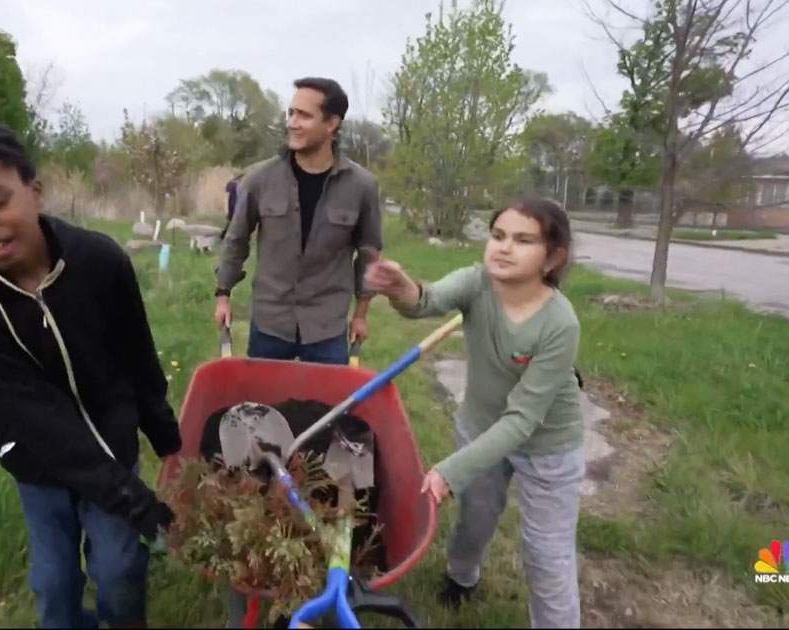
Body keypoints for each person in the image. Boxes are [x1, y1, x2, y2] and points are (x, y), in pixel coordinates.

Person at [0, 120, 180, 629]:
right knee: (54, 585)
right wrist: (133, 499)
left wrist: (167, 441)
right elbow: (33, 414)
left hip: (112, 445)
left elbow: (138, 358)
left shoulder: (101, 262)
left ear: (34, 191)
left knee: (120, 569)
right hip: (38, 463)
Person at [364, 198, 585, 629]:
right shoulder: (475, 283)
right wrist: (400, 288)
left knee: (548, 555)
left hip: (548, 448)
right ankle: (462, 578)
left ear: (553, 257)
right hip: (480, 426)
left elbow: (523, 420)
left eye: (523, 240)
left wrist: (450, 470)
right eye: (498, 235)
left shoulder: (560, 324)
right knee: (474, 519)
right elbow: (424, 301)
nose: (503, 248)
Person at [214, 77, 382, 365]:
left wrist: (361, 316)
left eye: (303, 115)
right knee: (264, 406)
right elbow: (236, 239)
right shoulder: (259, 179)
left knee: (325, 408)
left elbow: (369, 254)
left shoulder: (361, 186)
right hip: (270, 323)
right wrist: (223, 295)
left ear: (331, 124)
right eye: (290, 113)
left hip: (327, 328)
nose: (292, 122)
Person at [219, 173, 242, 240]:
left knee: (233, 221)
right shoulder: (231, 184)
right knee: (231, 220)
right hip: (232, 205)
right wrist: (226, 208)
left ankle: (225, 235)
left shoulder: (239, 184)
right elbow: (227, 196)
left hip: (237, 205)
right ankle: (223, 235)